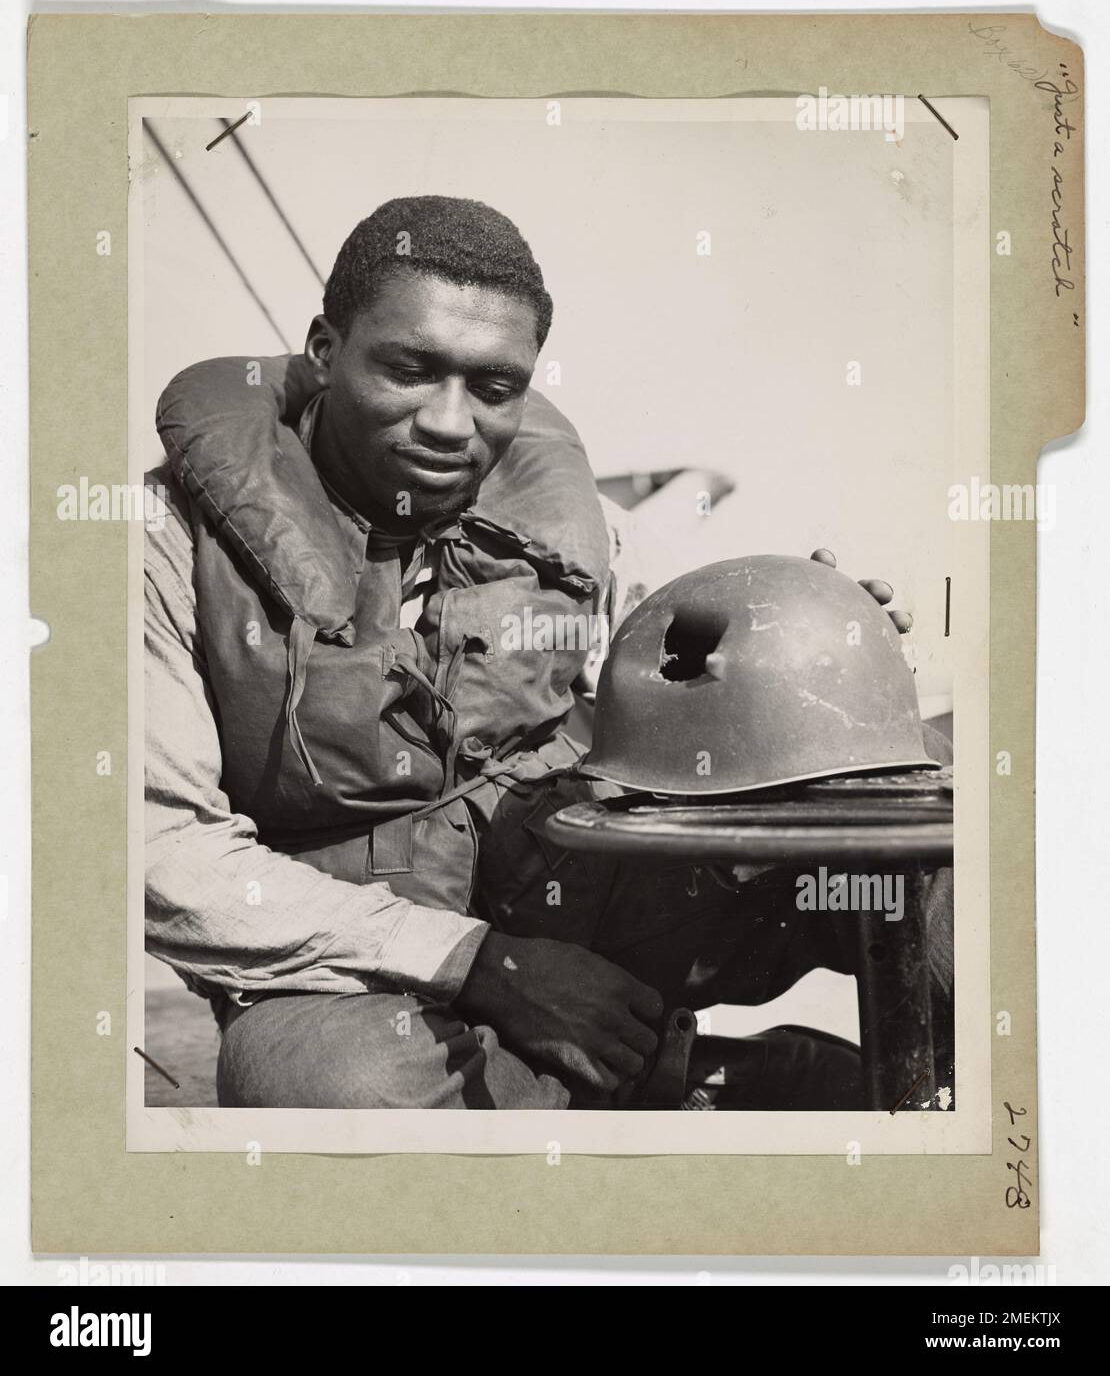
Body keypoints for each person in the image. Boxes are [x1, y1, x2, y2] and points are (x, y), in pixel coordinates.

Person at [146, 195, 941, 1110]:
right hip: (358, 966)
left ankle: (953, 1128)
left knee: (917, 832)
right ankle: (688, 1080)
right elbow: (159, 852)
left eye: (493, 388)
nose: (451, 423)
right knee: (341, 1093)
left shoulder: (579, 526)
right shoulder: (168, 544)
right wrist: (479, 966)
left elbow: (681, 695)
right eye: (411, 370)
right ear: (325, 351)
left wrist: (807, 652)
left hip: (584, 894)